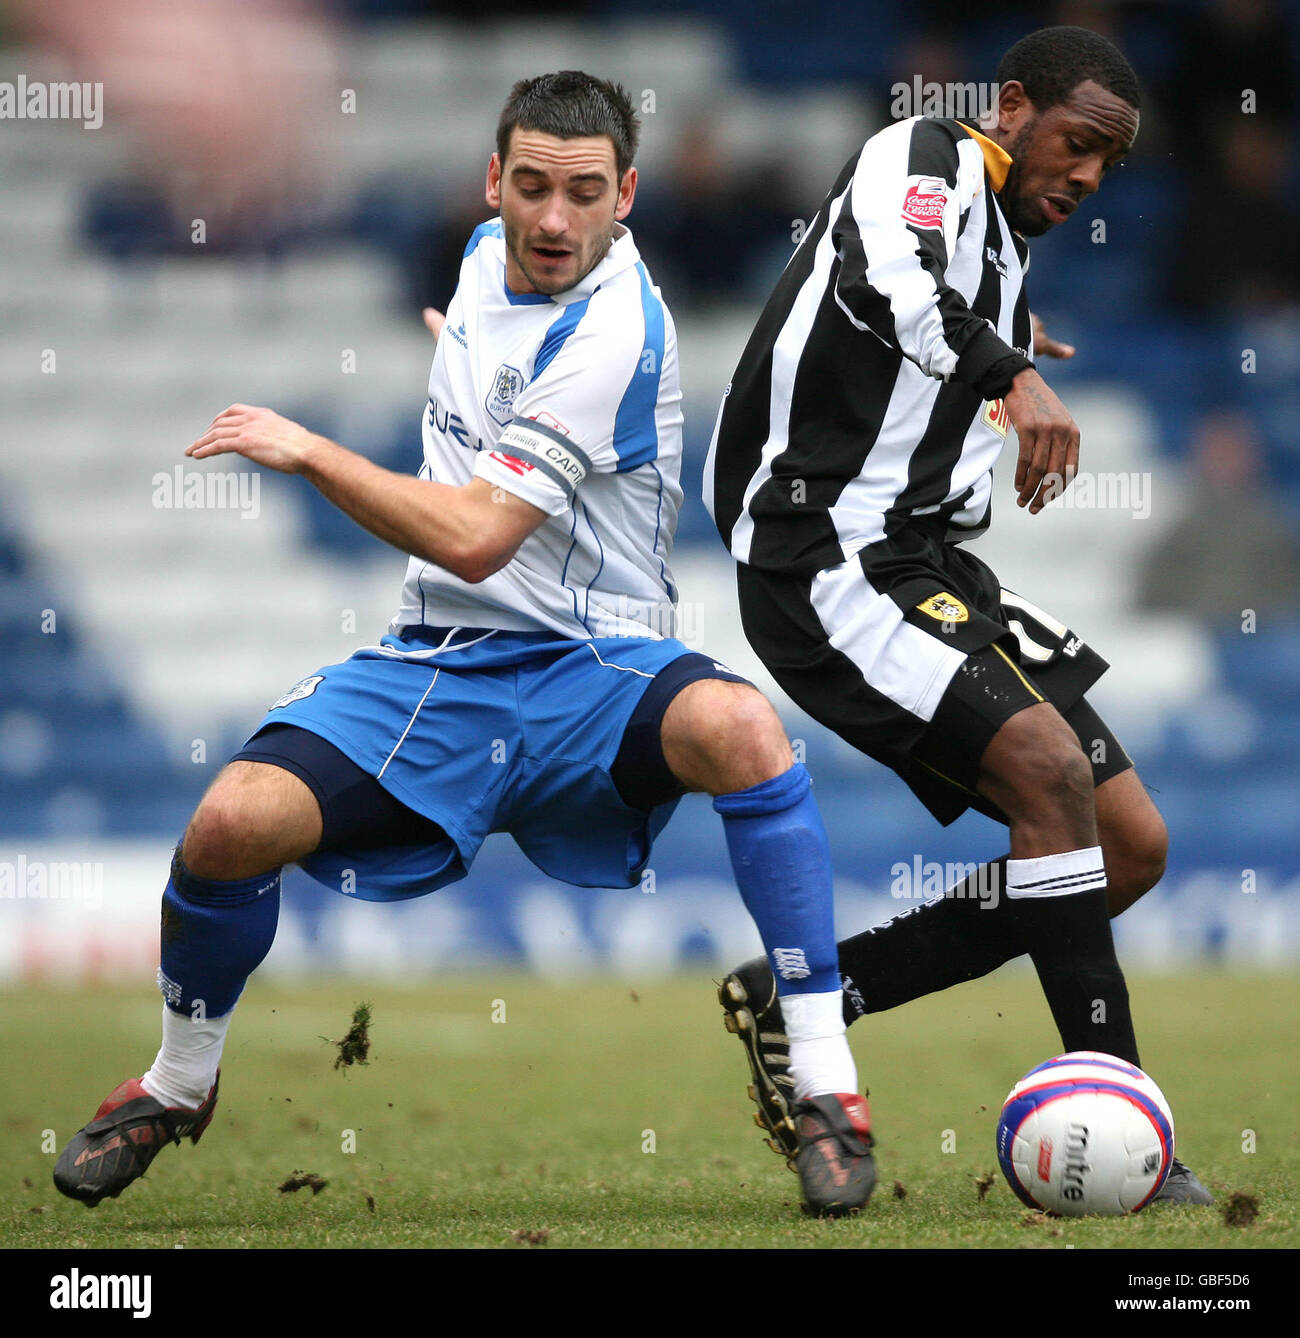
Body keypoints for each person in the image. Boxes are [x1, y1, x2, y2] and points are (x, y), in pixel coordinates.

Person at [53, 71, 873, 1219]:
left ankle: (827, 1086)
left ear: (627, 196)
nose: (553, 218)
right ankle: (178, 1085)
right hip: (437, 663)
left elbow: (479, 540)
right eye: (531, 186)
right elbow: (490, 373)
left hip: (593, 664)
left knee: (740, 728)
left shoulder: (619, 330)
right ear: (493, 181)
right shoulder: (485, 258)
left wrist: (310, 450)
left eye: (583, 194)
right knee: (232, 823)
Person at [704, 26, 1211, 1204]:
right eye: (1077, 143)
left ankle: (813, 998)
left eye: (1109, 163)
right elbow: (888, 277)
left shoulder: (999, 244)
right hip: (825, 548)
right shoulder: (918, 151)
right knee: (1047, 772)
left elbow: (934, 306)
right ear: (1012, 104)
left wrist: (1007, 332)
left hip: (929, 560)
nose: (1088, 176)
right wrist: (1010, 371)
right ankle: (1130, 1119)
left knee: (1128, 844)